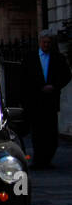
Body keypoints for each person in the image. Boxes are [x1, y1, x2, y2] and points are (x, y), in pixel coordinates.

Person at [24, 30, 71, 168]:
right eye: (44, 42)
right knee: (38, 132)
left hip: (51, 100)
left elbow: (66, 75)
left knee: (50, 132)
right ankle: (39, 159)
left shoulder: (58, 58)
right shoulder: (30, 58)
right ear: (39, 42)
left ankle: (47, 158)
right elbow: (24, 78)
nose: (46, 45)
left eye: (49, 42)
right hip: (36, 100)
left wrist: (55, 86)